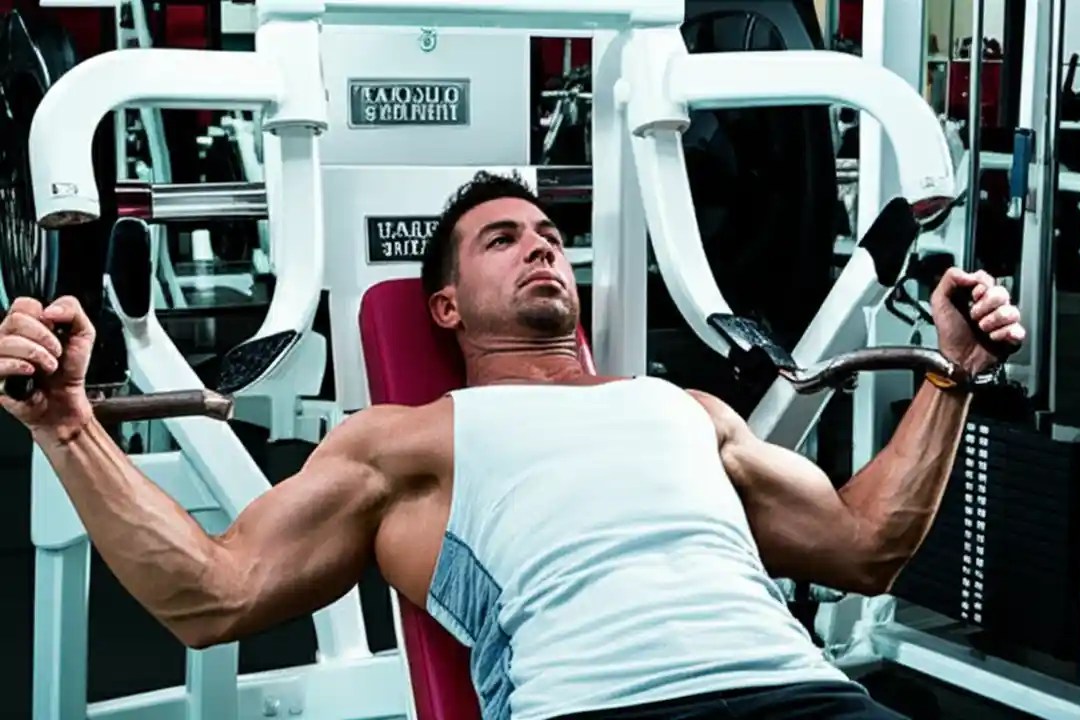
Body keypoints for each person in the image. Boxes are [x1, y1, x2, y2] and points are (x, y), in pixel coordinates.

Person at [1, 172, 1024, 720]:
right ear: (442, 306)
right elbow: (215, 596)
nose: (541, 244)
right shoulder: (405, 442)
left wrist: (952, 376)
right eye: (504, 238)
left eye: (547, 233)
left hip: (808, 701)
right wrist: (69, 425)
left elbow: (861, 543)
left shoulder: (685, 409)